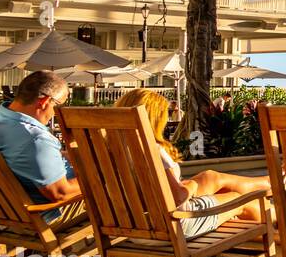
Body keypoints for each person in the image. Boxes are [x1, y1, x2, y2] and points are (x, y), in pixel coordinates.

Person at [114, 88, 269, 236]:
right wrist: (191, 186)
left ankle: (270, 184)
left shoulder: (110, 149)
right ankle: (281, 218)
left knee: (210, 177)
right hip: (174, 225)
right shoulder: (152, 150)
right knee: (237, 199)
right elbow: (178, 196)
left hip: (131, 228)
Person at [0, 72, 79, 218]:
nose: (56, 113)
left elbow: (22, 156)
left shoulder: (3, 121)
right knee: (117, 186)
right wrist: (99, 179)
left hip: (8, 215)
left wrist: (61, 155)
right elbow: (61, 193)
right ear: (44, 102)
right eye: (59, 105)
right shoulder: (35, 138)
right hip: (43, 216)